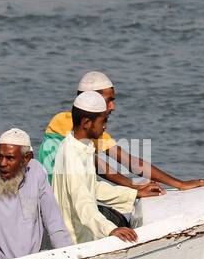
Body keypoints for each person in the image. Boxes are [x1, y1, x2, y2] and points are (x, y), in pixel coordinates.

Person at [36, 71, 204, 193]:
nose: (113, 107)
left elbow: (127, 161)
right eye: (109, 100)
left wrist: (177, 184)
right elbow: (98, 164)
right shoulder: (64, 122)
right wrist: (135, 188)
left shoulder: (88, 127)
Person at [52, 91, 163, 245]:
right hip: (74, 241)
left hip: (86, 231)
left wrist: (135, 193)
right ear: (86, 123)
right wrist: (110, 229)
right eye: (103, 121)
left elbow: (93, 187)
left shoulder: (82, 144)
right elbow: (82, 202)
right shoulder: (72, 156)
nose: (105, 127)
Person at [0, 129, 74, 259]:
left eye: (10, 158)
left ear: (26, 158)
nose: (2, 163)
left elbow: (54, 222)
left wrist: (69, 258)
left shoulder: (37, 172)